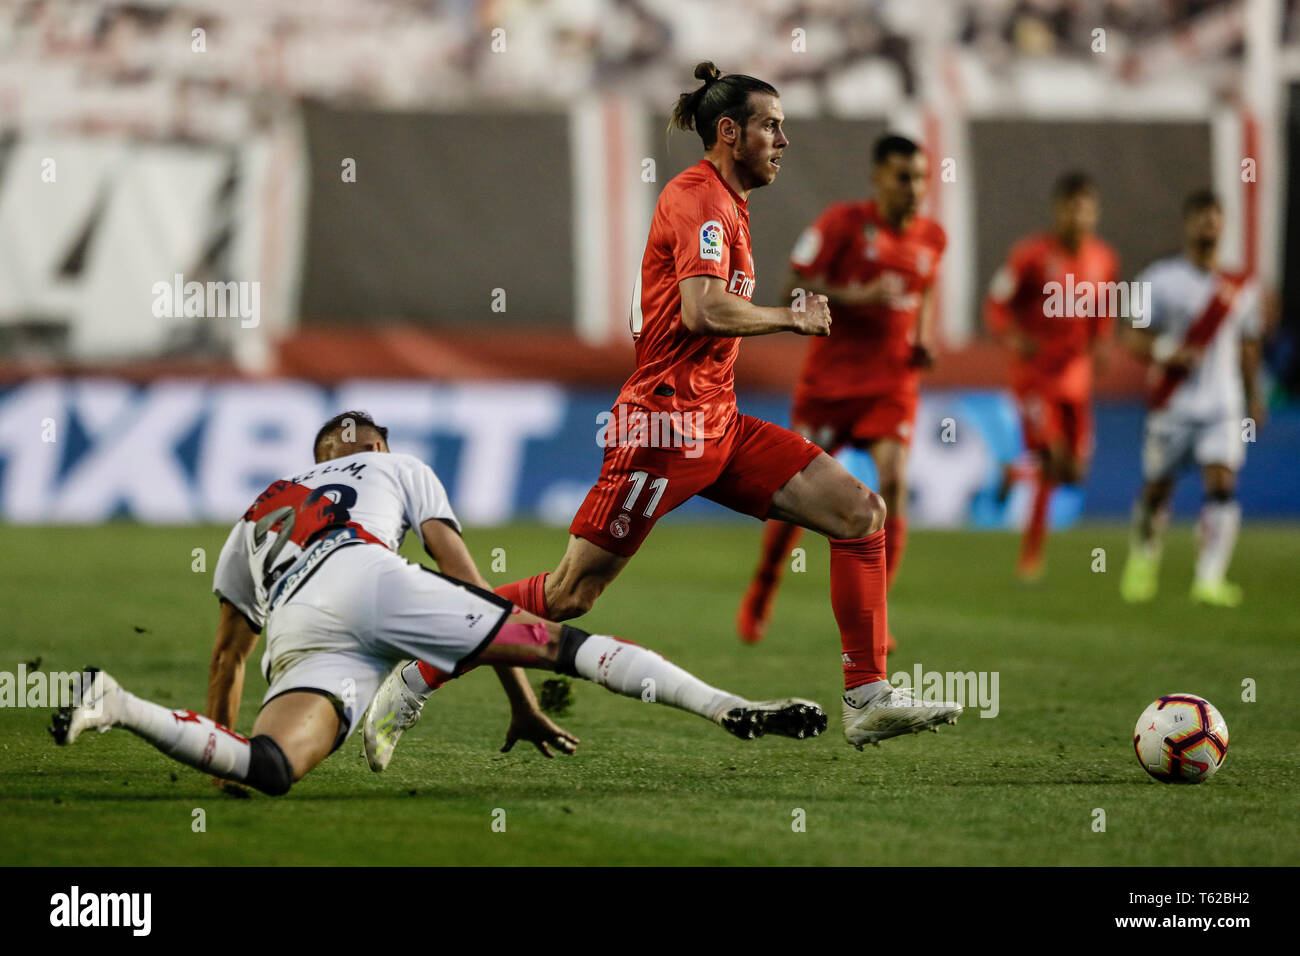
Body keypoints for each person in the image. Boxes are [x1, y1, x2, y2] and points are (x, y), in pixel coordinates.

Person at [413, 62, 962, 753]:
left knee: (861, 511)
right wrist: (790, 319)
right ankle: (420, 662)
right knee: (571, 594)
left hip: (718, 423)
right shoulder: (696, 197)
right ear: (728, 131)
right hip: (664, 427)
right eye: (772, 126)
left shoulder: (731, 203)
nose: (784, 141)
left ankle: (867, 695)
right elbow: (703, 312)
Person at [49, 411, 827, 796]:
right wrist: (518, 694)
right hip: (367, 576)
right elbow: (463, 576)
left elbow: (229, 652)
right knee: (559, 642)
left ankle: (118, 704)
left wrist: (218, 752)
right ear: (373, 448)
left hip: (301, 628)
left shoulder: (257, 510)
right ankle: (728, 708)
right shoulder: (396, 468)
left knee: (270, 766)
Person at [735, 133, 946, 648]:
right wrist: (857, 295)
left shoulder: (932, 237)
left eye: (920, 177)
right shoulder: (840, 224)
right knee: (793, 496)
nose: (914, 187)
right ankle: (764, 586)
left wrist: (922, 338)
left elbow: (927, 291)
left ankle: (878, 612)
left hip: (892, 384)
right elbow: (792, 292)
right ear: (877, 178)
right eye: (903, 176)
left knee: (892, 484)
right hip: (830, 386)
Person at [1119, 190, 1265, 607]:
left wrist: (1254, 395)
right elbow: (1132, 336)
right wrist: (1168, 352)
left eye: (1216, 217)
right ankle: (1143, 560)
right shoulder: (1159, 279)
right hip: (1173, 403)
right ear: (1187, 224)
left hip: (1223, 405)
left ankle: (1209, 578)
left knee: (1222, 484)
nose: (1209, 224)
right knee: (1157, 490)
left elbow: (1249, 346)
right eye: (1201, 216)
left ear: (1225, 225)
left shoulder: (1242, 287)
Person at [984, 171, 1118, 580]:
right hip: (1036, 376)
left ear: (1095, 212)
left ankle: (1013, 471)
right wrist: (1012, 337)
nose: (1079, 215)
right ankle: (1031, 558)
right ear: (1058, 210)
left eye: (1086, 207)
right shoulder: (1032, 255)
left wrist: (1102, 342)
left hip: (1075, 378)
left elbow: (1102, 310)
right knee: (1053, 460)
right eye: (1071, 206)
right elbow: (997, 303)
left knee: (1074, 473)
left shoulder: (1103, 258)